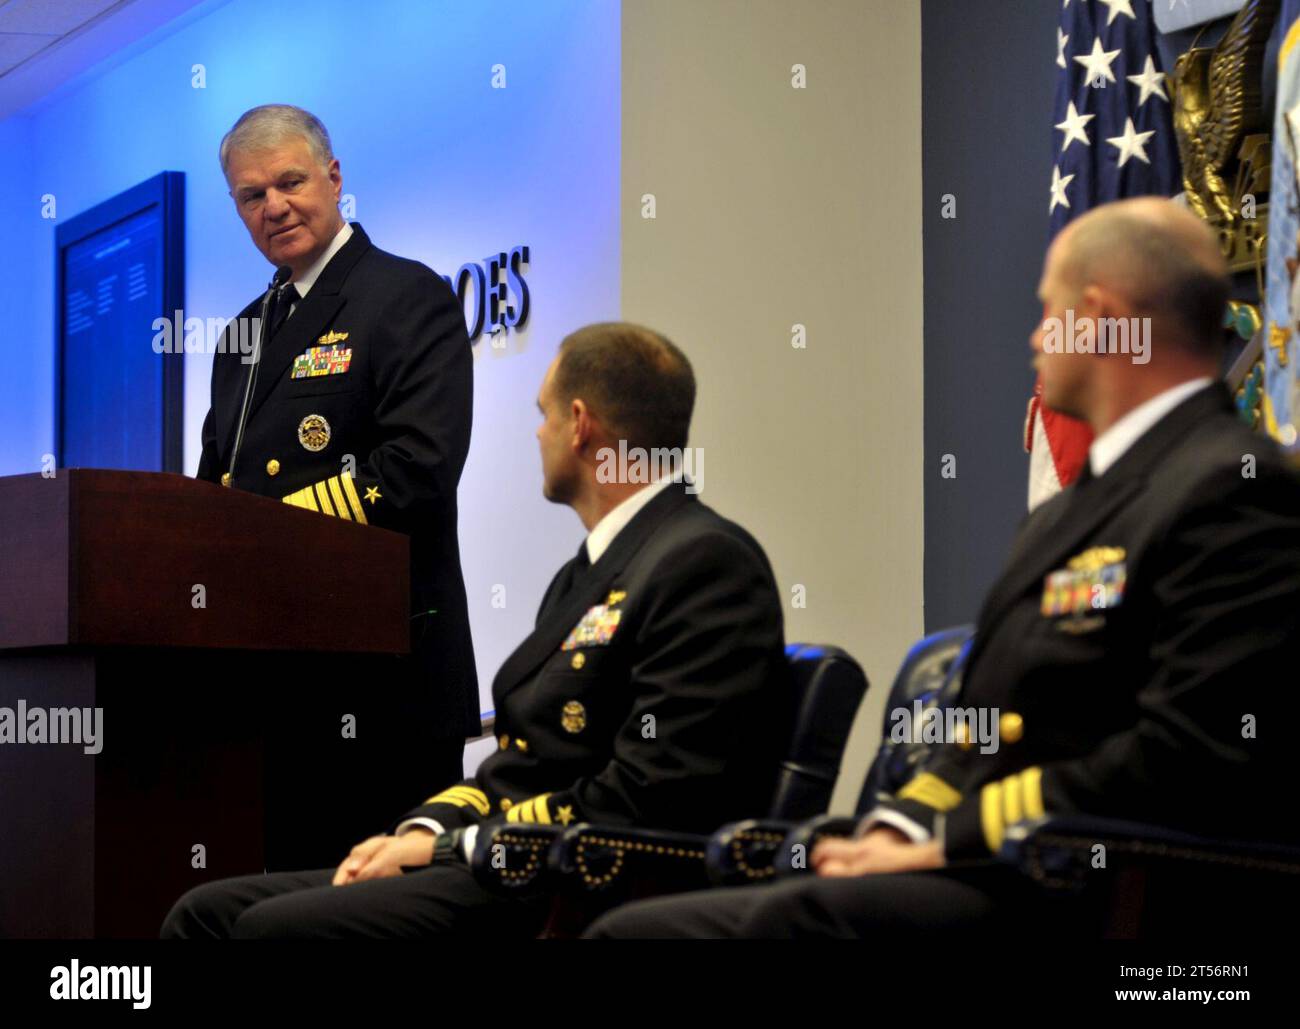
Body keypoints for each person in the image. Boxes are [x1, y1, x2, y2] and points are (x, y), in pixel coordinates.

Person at [586, 197, 1300, 937]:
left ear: (1095, 313)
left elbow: (1192, 754)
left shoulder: (1234, 488)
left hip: (1103, 898)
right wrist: (896, 826)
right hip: (998, 872)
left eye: (1046, 311)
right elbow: (983, 723)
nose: (1034, 337)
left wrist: (948, 840)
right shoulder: (1065, 515)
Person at [163, 322, 789, 938]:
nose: (537, 432)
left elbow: (649, 796)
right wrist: (423, 830)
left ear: (580, 424)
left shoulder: (704, 562)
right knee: (205, 913)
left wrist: (452, 848)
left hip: (569, 883)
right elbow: (526, 759)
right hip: (509, 859)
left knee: (270, 929)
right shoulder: (597, 567)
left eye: (543, 415)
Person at [195, 105, 479, 865]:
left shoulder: (405, 297)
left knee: (369, 911)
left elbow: (419, 467)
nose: (275, 206)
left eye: (290, 181)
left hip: (386, 679)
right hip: (272, 686)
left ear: (334, 177)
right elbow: (212, 494)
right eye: (252, 196)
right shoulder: (243, 336)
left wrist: (274, 527)